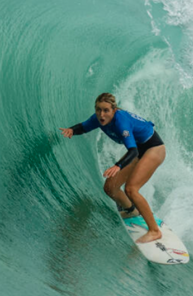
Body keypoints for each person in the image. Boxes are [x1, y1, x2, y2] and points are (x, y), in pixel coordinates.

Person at [59, 93, 165, 243]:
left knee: (131, 189)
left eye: (106, 110)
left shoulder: (121, 122)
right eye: (98, 110)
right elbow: (83, 127)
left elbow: (133, 151)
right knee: (110, 187)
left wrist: (118, 165)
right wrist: (71, 130)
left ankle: (155, 231)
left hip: (153, 148)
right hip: (138, 149)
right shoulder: (99, 119)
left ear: (114, 110)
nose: (102, 114)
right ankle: (131, 211)